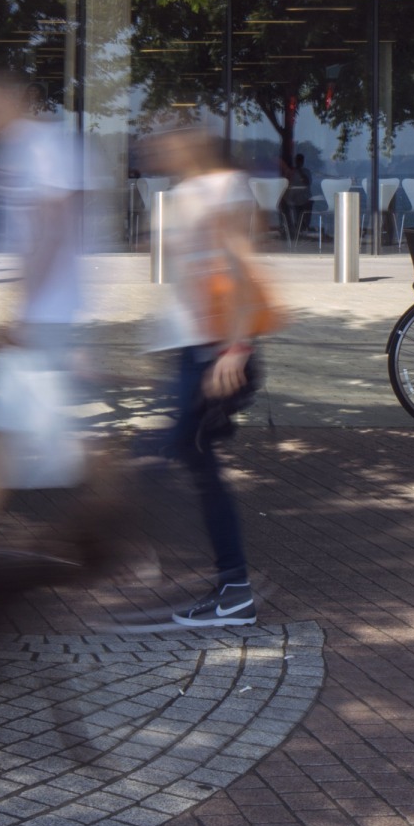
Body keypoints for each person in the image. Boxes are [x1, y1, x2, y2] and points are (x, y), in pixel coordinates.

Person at [0, 65, 92, 553]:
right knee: (3, 428)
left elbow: (53, 230)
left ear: (11, 98)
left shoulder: (43, 146)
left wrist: (21, 311)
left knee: (22, 434)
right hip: (37, 312)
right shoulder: (18, 149)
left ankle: (114, 536)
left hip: (44, 315)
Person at [140, 120, 265, 627]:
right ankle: (230, 585)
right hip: (192, 349)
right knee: (188, 458)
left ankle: (231, 588)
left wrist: (236, 347)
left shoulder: (227, 188)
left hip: (217, 352)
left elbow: (241, 269)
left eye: (165, 140)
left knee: (169, 455)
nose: (154, 148)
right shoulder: (185, 192)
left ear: (189, 145)